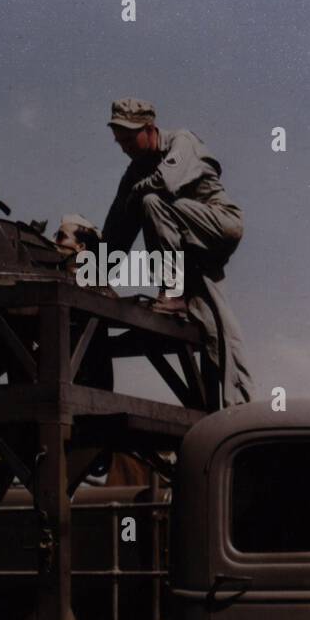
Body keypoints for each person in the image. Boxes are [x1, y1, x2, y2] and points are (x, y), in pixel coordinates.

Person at [100, 97, 254, 407]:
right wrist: (92, 273)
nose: (125, 147)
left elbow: (166, 184)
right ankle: (231, 408)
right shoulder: (134, 172)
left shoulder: (181, 141)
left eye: (130, 138)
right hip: (187, 245)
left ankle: (171, 292)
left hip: (218, 223)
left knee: (151, 201)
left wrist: (133, 195)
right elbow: (116, 233)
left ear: (150, 128)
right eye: (120, 141)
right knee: (214, 324)